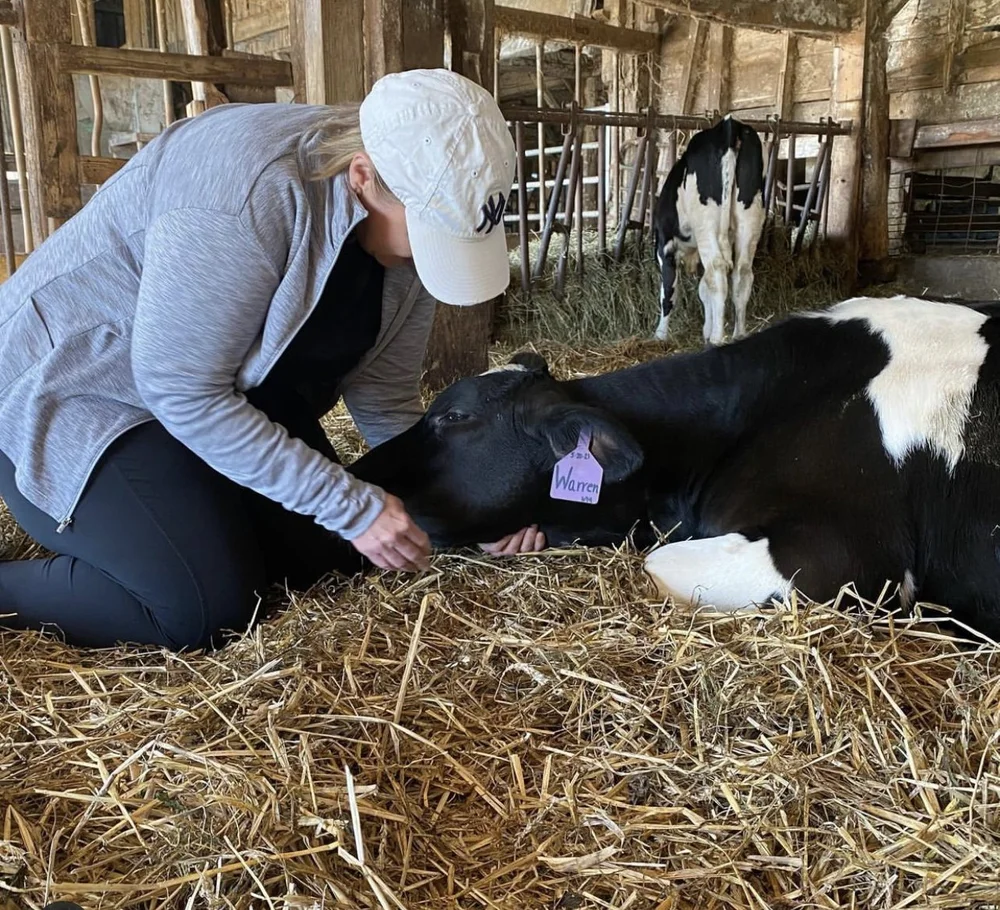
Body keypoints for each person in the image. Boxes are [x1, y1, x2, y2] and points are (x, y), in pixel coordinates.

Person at [0, 68, 545, 651]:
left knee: (330, 558)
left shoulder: (406, 237)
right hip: (82, 391)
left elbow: (385, 400)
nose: (430, 261)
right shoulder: (243, 195)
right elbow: (179, 387)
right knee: (202, 609)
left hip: (225, 395)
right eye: (432, 238)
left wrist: (471, 511)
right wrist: (348, 504)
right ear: (363, 176)